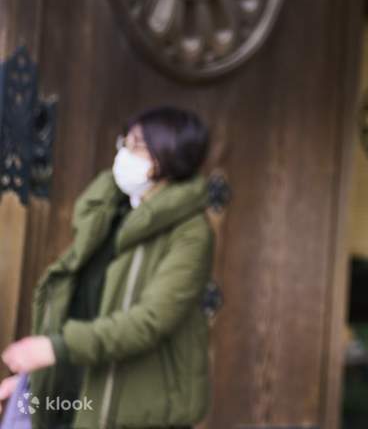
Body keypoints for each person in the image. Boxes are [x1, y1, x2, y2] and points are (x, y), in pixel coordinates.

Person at [0, 107, 213, 428]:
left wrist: (55, 348)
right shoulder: (112, 214)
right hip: (76, 395)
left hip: (136, 408)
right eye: (124, 142)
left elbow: (148, 321)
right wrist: (40, 385)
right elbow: (80, 308)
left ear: (167, 155)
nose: (124, 153)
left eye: (136, 145)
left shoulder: (190, 232)